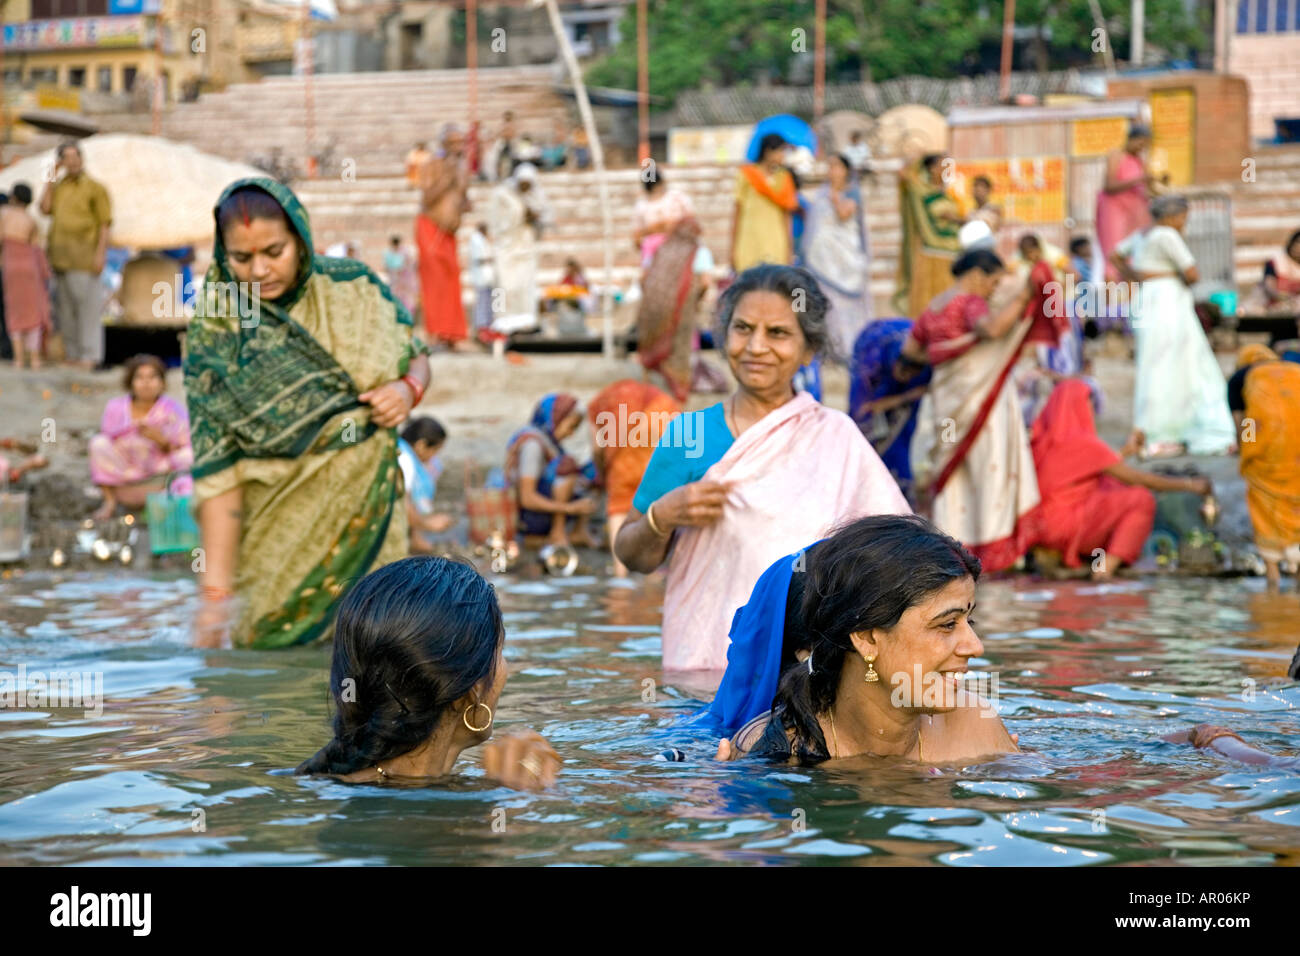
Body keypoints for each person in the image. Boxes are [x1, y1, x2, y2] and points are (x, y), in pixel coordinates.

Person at [614, 265, 909, 674]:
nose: (755, 346)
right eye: (743, 328)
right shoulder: (691, 434)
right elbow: (632, 554)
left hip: (809, 673)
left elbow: (895, 551)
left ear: (808, 350)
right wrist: (661, 517)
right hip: (706, 668)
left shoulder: (836, 436)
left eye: (778, 333)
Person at [185, 178, 431, 649]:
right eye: (241, 258)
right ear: (223, 256)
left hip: (369, 514)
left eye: (274, 251)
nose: (259, 270)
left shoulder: (353, 287)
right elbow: (218, 470)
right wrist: (214, 601)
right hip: (278, 536)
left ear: (300, 238)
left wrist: (408, 387)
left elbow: (415, 353)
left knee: (379, 661)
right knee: (277, 683)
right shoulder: (217, 328)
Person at [713, 514, 1018, 762]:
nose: (975, 646)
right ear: (867, 639)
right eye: (947, 624)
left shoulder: (976, 727)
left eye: (969, 620)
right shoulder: (781, 753)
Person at [297, 556, 562, 790]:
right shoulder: (477, 807)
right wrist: (517, 800)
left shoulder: (324, 782)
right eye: (501, 650)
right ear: (473, 691)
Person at [902, 248, 1041, 572]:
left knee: (951, 472)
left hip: (946, 398)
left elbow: (911, 350)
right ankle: (991, 546)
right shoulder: (970, 302)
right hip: (978, 399)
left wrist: (945, 353)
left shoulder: (934, 304)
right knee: (986, 468)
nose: (993, 291)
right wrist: (1023, 300)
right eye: (993, 283)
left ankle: (952, 545)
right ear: (978, 274)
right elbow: (990, 331)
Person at [1025, 379, 1212, 579]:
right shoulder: (1082, 442)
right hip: (1065, 526)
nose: (1091, 409)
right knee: (1141, 499)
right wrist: (1190, 485)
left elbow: (1090, 467)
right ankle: (1104, 570)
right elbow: (1137, 479)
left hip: (1037, 526)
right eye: (1089, 402)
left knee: (1108, 485)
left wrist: (1126, 450)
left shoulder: (1043, 439)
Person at [1129, 195, 1237, 458]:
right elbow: (1192, 274)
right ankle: (1171, 432)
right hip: (1168, 305)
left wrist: (1146, 275)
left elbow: (1117, 256)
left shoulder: (1141, 235)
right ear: (1171, 216)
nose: (1184, 223)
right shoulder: (1167, 235)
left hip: (1146, 302)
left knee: (1155, 367)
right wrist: (1168, 275)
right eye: (1182, 218)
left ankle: (1155, 432)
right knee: (1184, 366)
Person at [587, 379, 682, 576]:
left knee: (618, 508)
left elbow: (597, 447)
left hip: (623, 464)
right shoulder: (663, 401)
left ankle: (619, 574)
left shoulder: (601, 405)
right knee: (656, 506)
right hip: (658, 454)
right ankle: (655, 572)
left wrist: (602, 473)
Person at [1227, 343, 1300, 590]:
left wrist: (1245, 448)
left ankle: (1273, 577)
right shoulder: (1295, 369)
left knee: (1264, 506)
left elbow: (1245, 421)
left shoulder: (1241, 377)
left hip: (1267, 453)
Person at [88, 354, 194, 520]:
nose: (146, 383)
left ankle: (172, 495)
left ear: (162, 382)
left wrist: (160, 440)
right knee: (98, 443)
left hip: (159, 465)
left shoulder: (172, 409)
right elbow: (109, 435)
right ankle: (109, 501)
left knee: (188, 456)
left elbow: (184, 442)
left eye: (152, 377)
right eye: (140, 377)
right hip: (126, 466)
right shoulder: (115, 407)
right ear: (130, 382)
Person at [633, 172, 708, 402]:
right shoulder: (642, 207)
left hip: (681, 272)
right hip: (658, 270)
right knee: (657, 325)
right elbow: (637, 239)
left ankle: (677, 381)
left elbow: (693, 227)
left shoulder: (678, 200)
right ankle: (660, 379)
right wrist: (654, 229)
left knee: (681, 332)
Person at [39, 141, 111, 369]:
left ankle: (89, 356)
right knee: (65, 312)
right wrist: (51, 174)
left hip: (85, 258)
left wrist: (100, 255)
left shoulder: (95, 188)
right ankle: (72, 354)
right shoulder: (58, 186)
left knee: (87, 310)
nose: (72, 162)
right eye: (66, 158)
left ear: (81, 158)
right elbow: (44, 208)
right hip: (60, 258)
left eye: (75, 156)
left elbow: (104, 224)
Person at [849, 318, 931, 506]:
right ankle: (865, 493)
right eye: (903, 374)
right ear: (895, 365)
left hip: (908, 392)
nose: (906, 378)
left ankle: (900, 497)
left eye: (912, 375)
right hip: (874, 350)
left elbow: (927, 389)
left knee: (902, 439)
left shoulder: (925, 367)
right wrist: (893, 401)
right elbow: (863, 409)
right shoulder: (872, 360)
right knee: (863, 437)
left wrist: (901, 399)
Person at [803, 153, 873, 358]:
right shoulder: (821, 194)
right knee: (826, 302)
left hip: (845, 259)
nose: (832, 171)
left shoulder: (853, 193)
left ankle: (851, 346)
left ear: (846, 170)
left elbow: (844, 214)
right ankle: (829, 347)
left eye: (836, 166)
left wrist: (835, 199)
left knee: (847, 305)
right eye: (829, 166)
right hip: (822, 259)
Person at [505, 392, 596, 548]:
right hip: (526, 517)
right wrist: (570, 508)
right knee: (566, 469)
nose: (571, 433)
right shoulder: (533, 446)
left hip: (538, 508)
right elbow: (527, 498)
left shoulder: (544, 439)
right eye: (571, 426)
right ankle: (557, 533)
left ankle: (578, 532)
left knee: (592, 471)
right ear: (556, 418)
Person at [416, 126, 471, 347]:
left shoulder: (462, 169)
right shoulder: (433, 165)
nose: (459, 148)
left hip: (449, 233)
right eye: (454, 143)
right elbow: (427, 199)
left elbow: (462, 199)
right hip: (430, 227)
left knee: (452, 282)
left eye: (461, 143)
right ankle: (436, 333)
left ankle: (452, 335)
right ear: (445, 144)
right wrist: (447, 177)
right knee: (435, 282)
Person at [894, 153, 964, 318]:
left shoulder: (947, 194)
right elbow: (904, 175)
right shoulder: (921, 191)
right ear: (932, 169)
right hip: (933, 253)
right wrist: (920, 157)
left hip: (953, 252)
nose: (947, 169)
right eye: (943, 165)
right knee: (931, 307)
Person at [486, 163, 549, 332]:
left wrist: (534, 216)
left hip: (526, 246)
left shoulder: (537, 196)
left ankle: (526, 322)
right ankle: (499, 321)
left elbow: (544, 217)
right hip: (505, 246)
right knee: (502, 286)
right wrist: (521, 213)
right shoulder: (503, 195)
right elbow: (498, 221)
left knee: (525, 286)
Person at [1096, 124, 1164, 281]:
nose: (1142, 148)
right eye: (1141, 143)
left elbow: (1147, 189)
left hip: (1135, 215)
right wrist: (1139, 179)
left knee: (1133, 258)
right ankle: (1109, 304)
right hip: (1114, 211)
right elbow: (1109, 186)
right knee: (1114, 256)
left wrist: (1159, 185)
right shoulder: (1116, 155)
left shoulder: (1140, 161)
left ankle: (1129, 302)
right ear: (1132, 139)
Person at [0, 182, 52, 369]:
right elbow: (37, 248)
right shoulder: (31, 221)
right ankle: (35, 359)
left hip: (11, 266)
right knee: (32, 311)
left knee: (14, 311)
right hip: (30, 267)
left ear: (14, 198)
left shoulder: (4, 215)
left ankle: (19, 359)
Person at [730, 133, 799, 273]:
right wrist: (732, 248)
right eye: (780, 151)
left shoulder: (784, 179)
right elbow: (737, 212)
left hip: (776, 244)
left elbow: (787, 216)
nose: (783, 156)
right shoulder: (747, 175)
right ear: (768, 152)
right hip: (749, 242)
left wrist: (789, 250)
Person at [397, 416, 454, 553]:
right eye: (434, 450)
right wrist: (428, 524)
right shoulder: (404, 459)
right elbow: (402, 505)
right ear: (421, 445)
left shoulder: (401, 451)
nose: (433, 457)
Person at [1242, 228, 1300, 320]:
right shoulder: (1277, 262)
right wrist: (1281, 297)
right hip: (1272, 299)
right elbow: (1269, 286)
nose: (1297, 249)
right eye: (1296, 244)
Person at [467, 221, 497, 342]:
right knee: (482, 302)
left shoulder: (483, 240)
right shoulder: (476, 240)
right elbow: (479, 257)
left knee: (492, 302)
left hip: (489, 277)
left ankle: (490, 326)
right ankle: (482, 328)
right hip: (481, 276)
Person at [381, 235, 419, 315]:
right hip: (395, 280)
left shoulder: (405, 252)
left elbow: (410, 264)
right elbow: (387, 267)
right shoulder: (388, 253)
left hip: (404, 280)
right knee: (396, 297)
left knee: (407, 299)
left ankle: (409, 315)